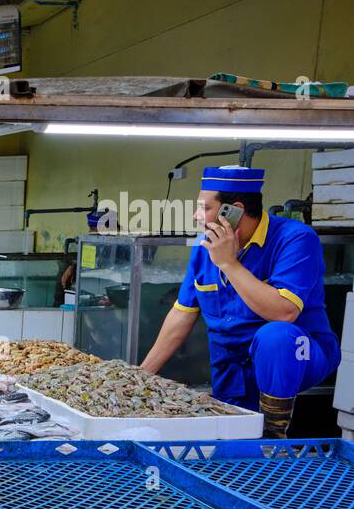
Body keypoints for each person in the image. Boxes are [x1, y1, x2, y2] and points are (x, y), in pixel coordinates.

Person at [141, 165, 340, 436]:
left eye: (205, 208)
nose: (196, 216)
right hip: (232, 370)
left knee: (276, 337)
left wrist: (229, 264)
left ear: (232, 210)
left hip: (295, 357)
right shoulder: (204, 248)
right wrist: (140, 376)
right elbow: (182, 313)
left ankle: (273, 436)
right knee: (231, 451)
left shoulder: (295, 239)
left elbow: (284, 312)